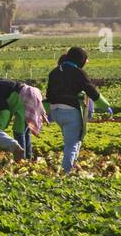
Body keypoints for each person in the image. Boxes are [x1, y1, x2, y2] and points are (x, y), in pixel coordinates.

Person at [45, 46, 111, 174]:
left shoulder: (54, 72)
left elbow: (49, 94)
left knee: (74, 139)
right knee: (71, 145)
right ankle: (66, 173)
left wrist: (48, 113)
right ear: (80, 60)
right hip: (70, 112)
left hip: (56, 111)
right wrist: (105, 106)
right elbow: (90, 90)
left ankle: (73, 167)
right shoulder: (78, 73)